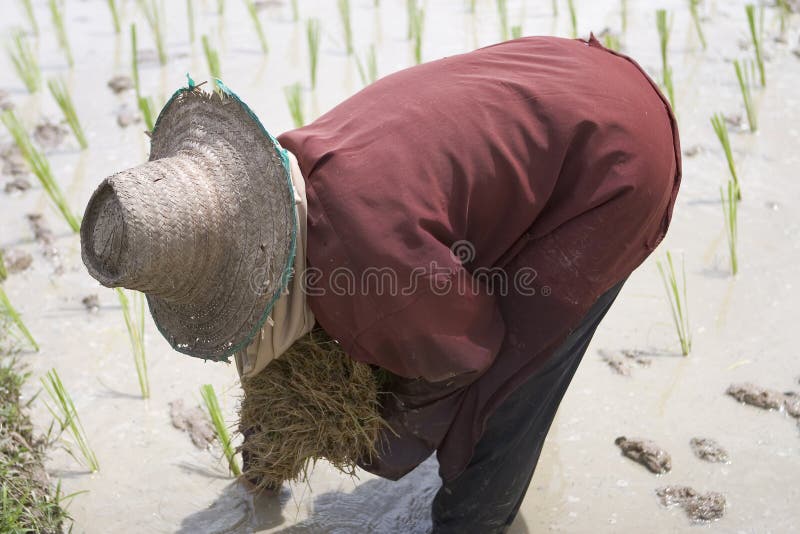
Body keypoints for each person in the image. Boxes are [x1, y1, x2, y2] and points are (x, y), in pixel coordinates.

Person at [79, 35, 680, 533]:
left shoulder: (373, 275)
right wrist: (268, 453)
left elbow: (470, 348)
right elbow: (272, 321)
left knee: (515, 377)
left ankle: (474, 521)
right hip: (568, 72)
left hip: (616, 166)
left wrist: (355, 385)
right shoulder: (291, 167)